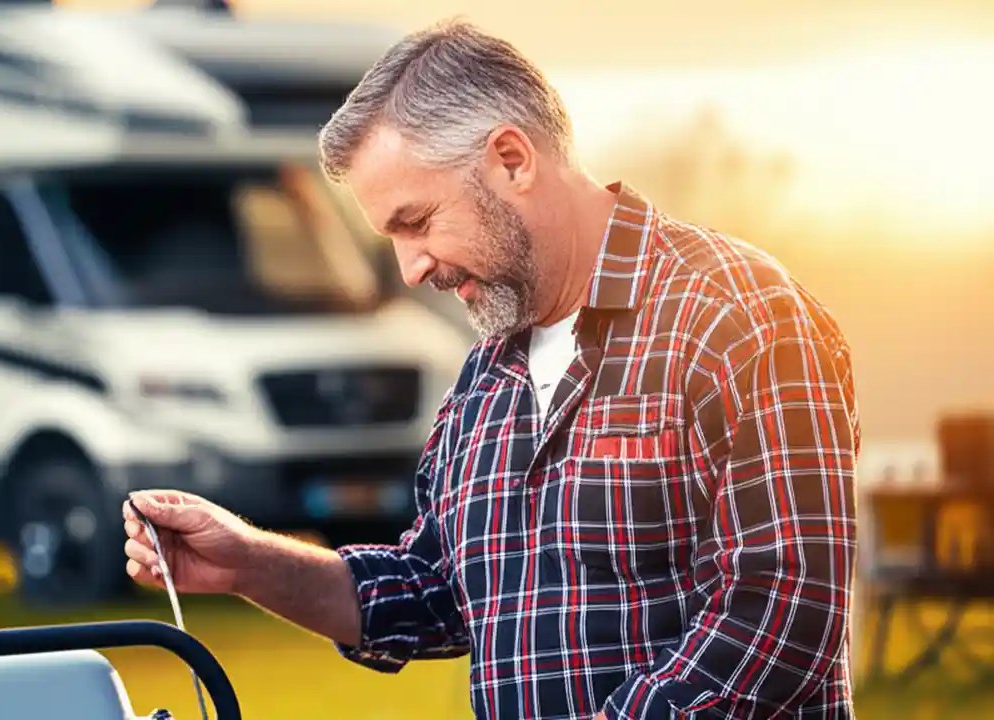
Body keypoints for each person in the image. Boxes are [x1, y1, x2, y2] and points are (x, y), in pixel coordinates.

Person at [123, 18, 859, 720]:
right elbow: (436, 591)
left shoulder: (739, 315)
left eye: (416, 222)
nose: (409, 270)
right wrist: (247, 561)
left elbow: (786, 607)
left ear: (512, 160)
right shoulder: (486, 377)